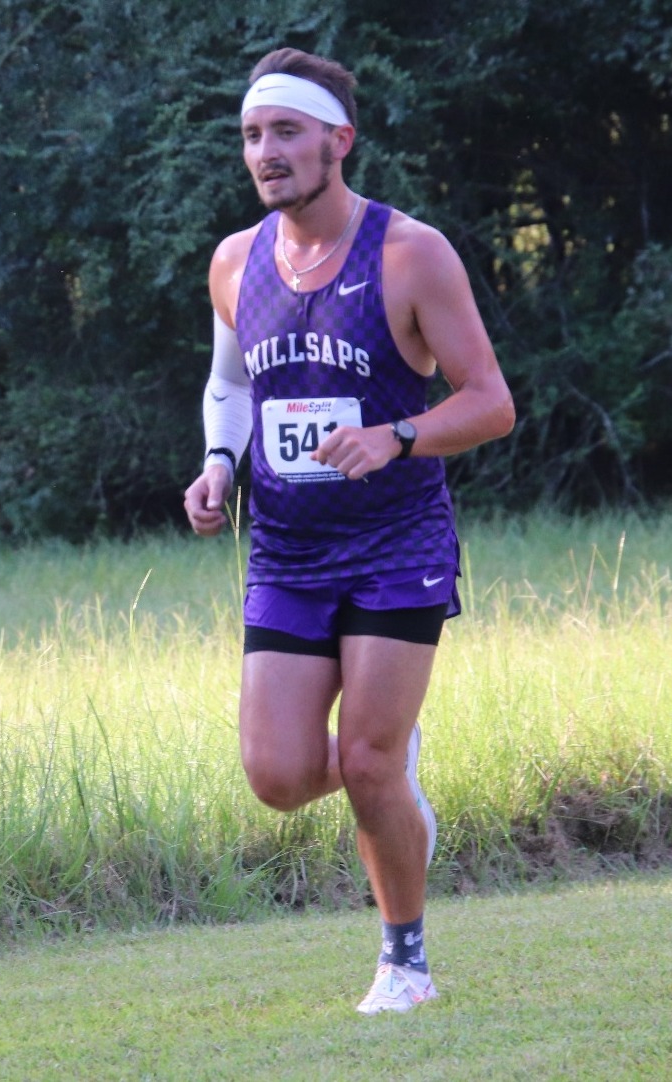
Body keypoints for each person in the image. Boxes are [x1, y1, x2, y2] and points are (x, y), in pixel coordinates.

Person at [182, 48, 516, 1014]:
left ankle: (404, 961)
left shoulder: (411, 253)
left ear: (340, 139)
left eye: (286, 131)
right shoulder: (236, 261)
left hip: (395, 544)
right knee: (279, 776)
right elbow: (231, 384)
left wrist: (398, 435)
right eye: (252, 135)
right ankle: (395, 769)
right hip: (286, 547)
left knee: (363, 763)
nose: (267, 152)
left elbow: (491, 402)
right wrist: (217, 464)